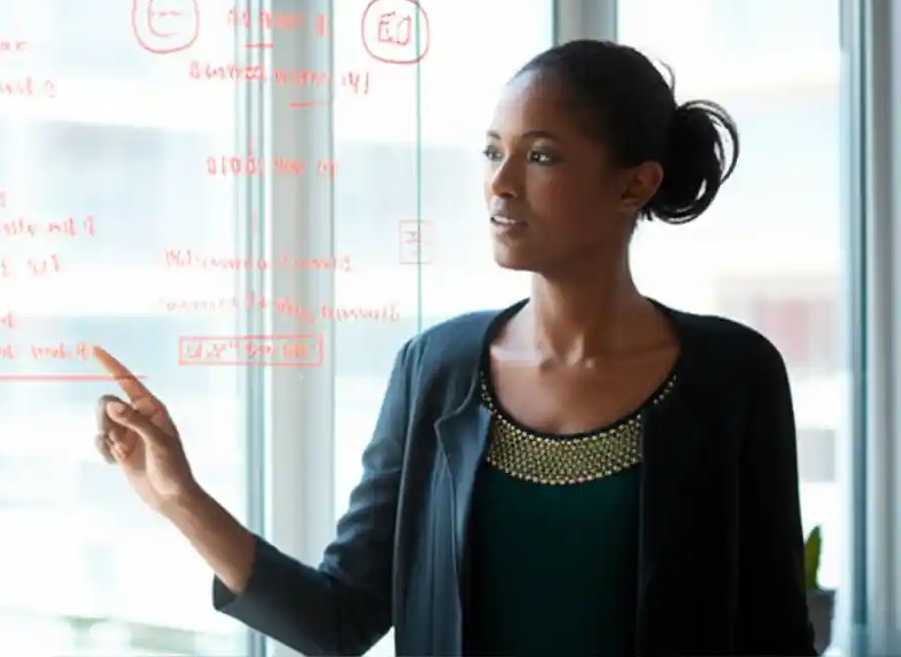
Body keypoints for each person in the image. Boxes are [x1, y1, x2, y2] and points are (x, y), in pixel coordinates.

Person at [90, 39, 817, 657]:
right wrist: (179, 499)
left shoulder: (733, 375)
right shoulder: (433, 368)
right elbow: (340, 619)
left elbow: (776, 634)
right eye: (492, 151)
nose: (499, 184)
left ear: (635, 184)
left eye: (541, 156)